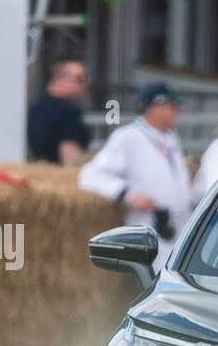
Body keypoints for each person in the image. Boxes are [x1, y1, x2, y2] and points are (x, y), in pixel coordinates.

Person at [78, 82, 191, 273]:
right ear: (156, 106)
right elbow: (90, 175)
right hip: (149, 228)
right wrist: (127, 194)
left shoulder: (171, 138)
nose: (177, 111)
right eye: (172, 105)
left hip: (177, 227)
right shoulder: (129, 137)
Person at [28, 59, 90, 165]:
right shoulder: (68, 113)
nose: (84, 85)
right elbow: (70, 157)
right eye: (79, 79)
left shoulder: (36, 107)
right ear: (60, 79)